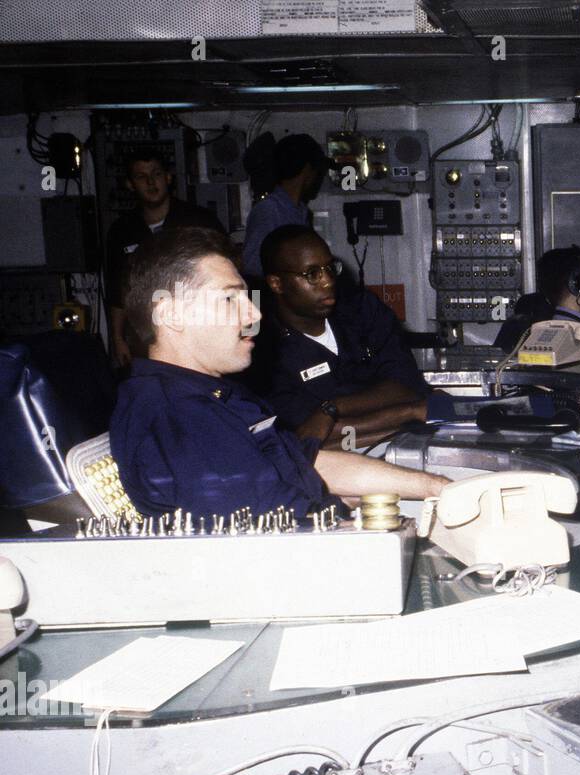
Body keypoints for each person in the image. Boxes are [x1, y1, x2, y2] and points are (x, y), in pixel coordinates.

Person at [110, 227, 448, 520]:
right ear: (171, 315)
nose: (253, 312)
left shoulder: (213, 395)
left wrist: (438, 487)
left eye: (247, 297)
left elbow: (306, 462)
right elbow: (278, 537)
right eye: (230, 299)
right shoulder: (180, 417)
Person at [260, 225, 435, 450]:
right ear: (277, 284)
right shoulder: (263, 349)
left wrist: (333, 408)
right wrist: (411, 413)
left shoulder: (362, 309)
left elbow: (407, 385)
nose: (328, 282)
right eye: (312, 274)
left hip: (409, 444)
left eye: (330, 268)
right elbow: (308, 436)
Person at [103, 149, 226, 369]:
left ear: (168, 177)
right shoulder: (122, 231)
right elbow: (116, 291)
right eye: (141, 177)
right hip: (144, 338)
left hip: (198, 330)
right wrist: (118, 339)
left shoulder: (198, 221)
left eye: (156, 174)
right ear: (130, 184)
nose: (151, 182)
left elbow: (229, 274)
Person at [241, 134, 327, 280]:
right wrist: (259, 302)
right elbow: (251, 268)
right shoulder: (268, 210)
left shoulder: (299, 212)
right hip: (270, 299)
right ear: (307, 170)